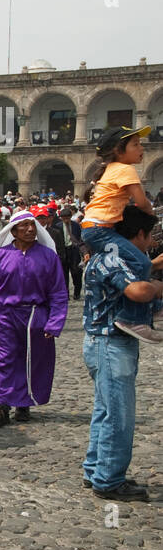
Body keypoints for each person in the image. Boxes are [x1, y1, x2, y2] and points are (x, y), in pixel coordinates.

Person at [80, 206, 163, 502]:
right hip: (110, 343)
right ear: (137, 234)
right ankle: (109, 480)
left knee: (105, 410)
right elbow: (138, 291)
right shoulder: (114, 259)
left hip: (107, 342)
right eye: (150, 234)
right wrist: (156, 286)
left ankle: (96, 469)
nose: (151, 241)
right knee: (119, 415)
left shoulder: (108, 257)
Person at [0, 211, 68, 428]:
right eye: (24, 226)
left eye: (32, 225)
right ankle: (1, 406)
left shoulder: (48, 256)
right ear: (13, 231)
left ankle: (23, 402)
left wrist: (54, 322)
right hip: (4, 316)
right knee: (3, 360)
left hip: (35, 316)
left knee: (31, 360)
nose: (30, 229)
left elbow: (59, 292)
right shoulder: (0, 256)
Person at [80, 126, 158, 341]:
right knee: (141, 263)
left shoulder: (112, 168)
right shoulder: (125, 169)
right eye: (136, 144)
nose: (141, 148)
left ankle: (153, 306)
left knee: (136, 261)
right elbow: (142, 202)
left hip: (95, 229)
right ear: (118, 149)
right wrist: (151, 218)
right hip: (100, 230)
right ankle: (132, 318)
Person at [56, 205, 86, 299]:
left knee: (76, 272)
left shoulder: (76, 225)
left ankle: (77, 293)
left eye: (67, 218)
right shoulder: (58, 226)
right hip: (63, 251)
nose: (66, 220)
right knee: (64, 274)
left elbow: (80, 238)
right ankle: (66, 294)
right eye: (64, 218)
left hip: (74, 251)